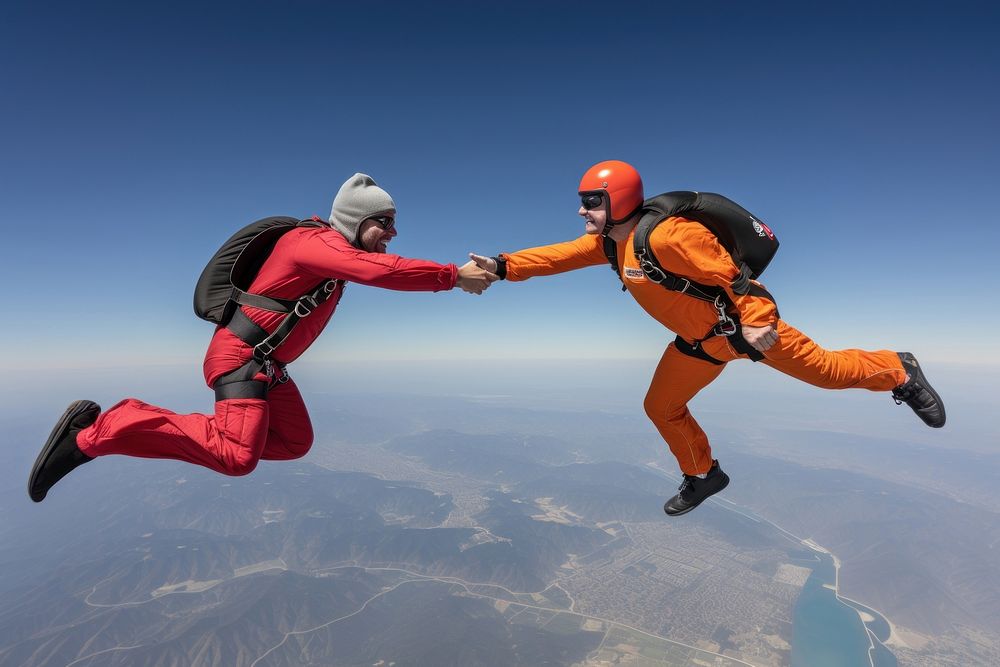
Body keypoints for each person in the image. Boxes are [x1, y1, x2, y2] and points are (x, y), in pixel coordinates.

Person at [471, 160, 945, 517]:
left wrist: (758, 320)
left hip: (744, 332)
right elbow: (560, 255)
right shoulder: (611, 243)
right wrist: (503, 266)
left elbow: (736, 278)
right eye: (583, 200)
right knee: (660, 407)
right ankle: (703, 475)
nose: (581, 209)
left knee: (829, 374)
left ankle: (898, 370)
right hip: (697, 344)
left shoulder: (671, 235)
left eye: (591, 200)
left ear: (617, 198)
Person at [29, 173, 497, 502]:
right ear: (355, 221)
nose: (392, 232)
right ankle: (95, 434)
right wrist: (453, 276)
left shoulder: (331, 251)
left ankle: (132, 422)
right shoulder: (313, 242)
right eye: (384, 222)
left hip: (267, 367)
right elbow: (375, 270)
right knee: (236, 456)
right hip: (239, 360)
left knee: (293, 442)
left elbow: (369, 268)